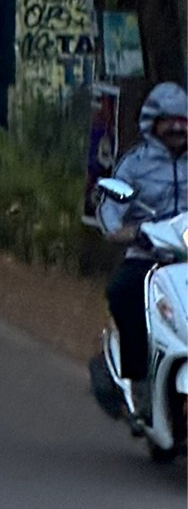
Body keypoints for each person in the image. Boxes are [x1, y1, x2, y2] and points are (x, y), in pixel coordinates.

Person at [99, 79, 188, 414]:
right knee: (123, 293)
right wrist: (125, 231)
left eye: (184, 119)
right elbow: (110, 207)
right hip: (148, 257)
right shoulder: (135, 164)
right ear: (154, 122)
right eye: (170, 119)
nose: (179, 126)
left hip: (187, 257)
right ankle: (139, 380)